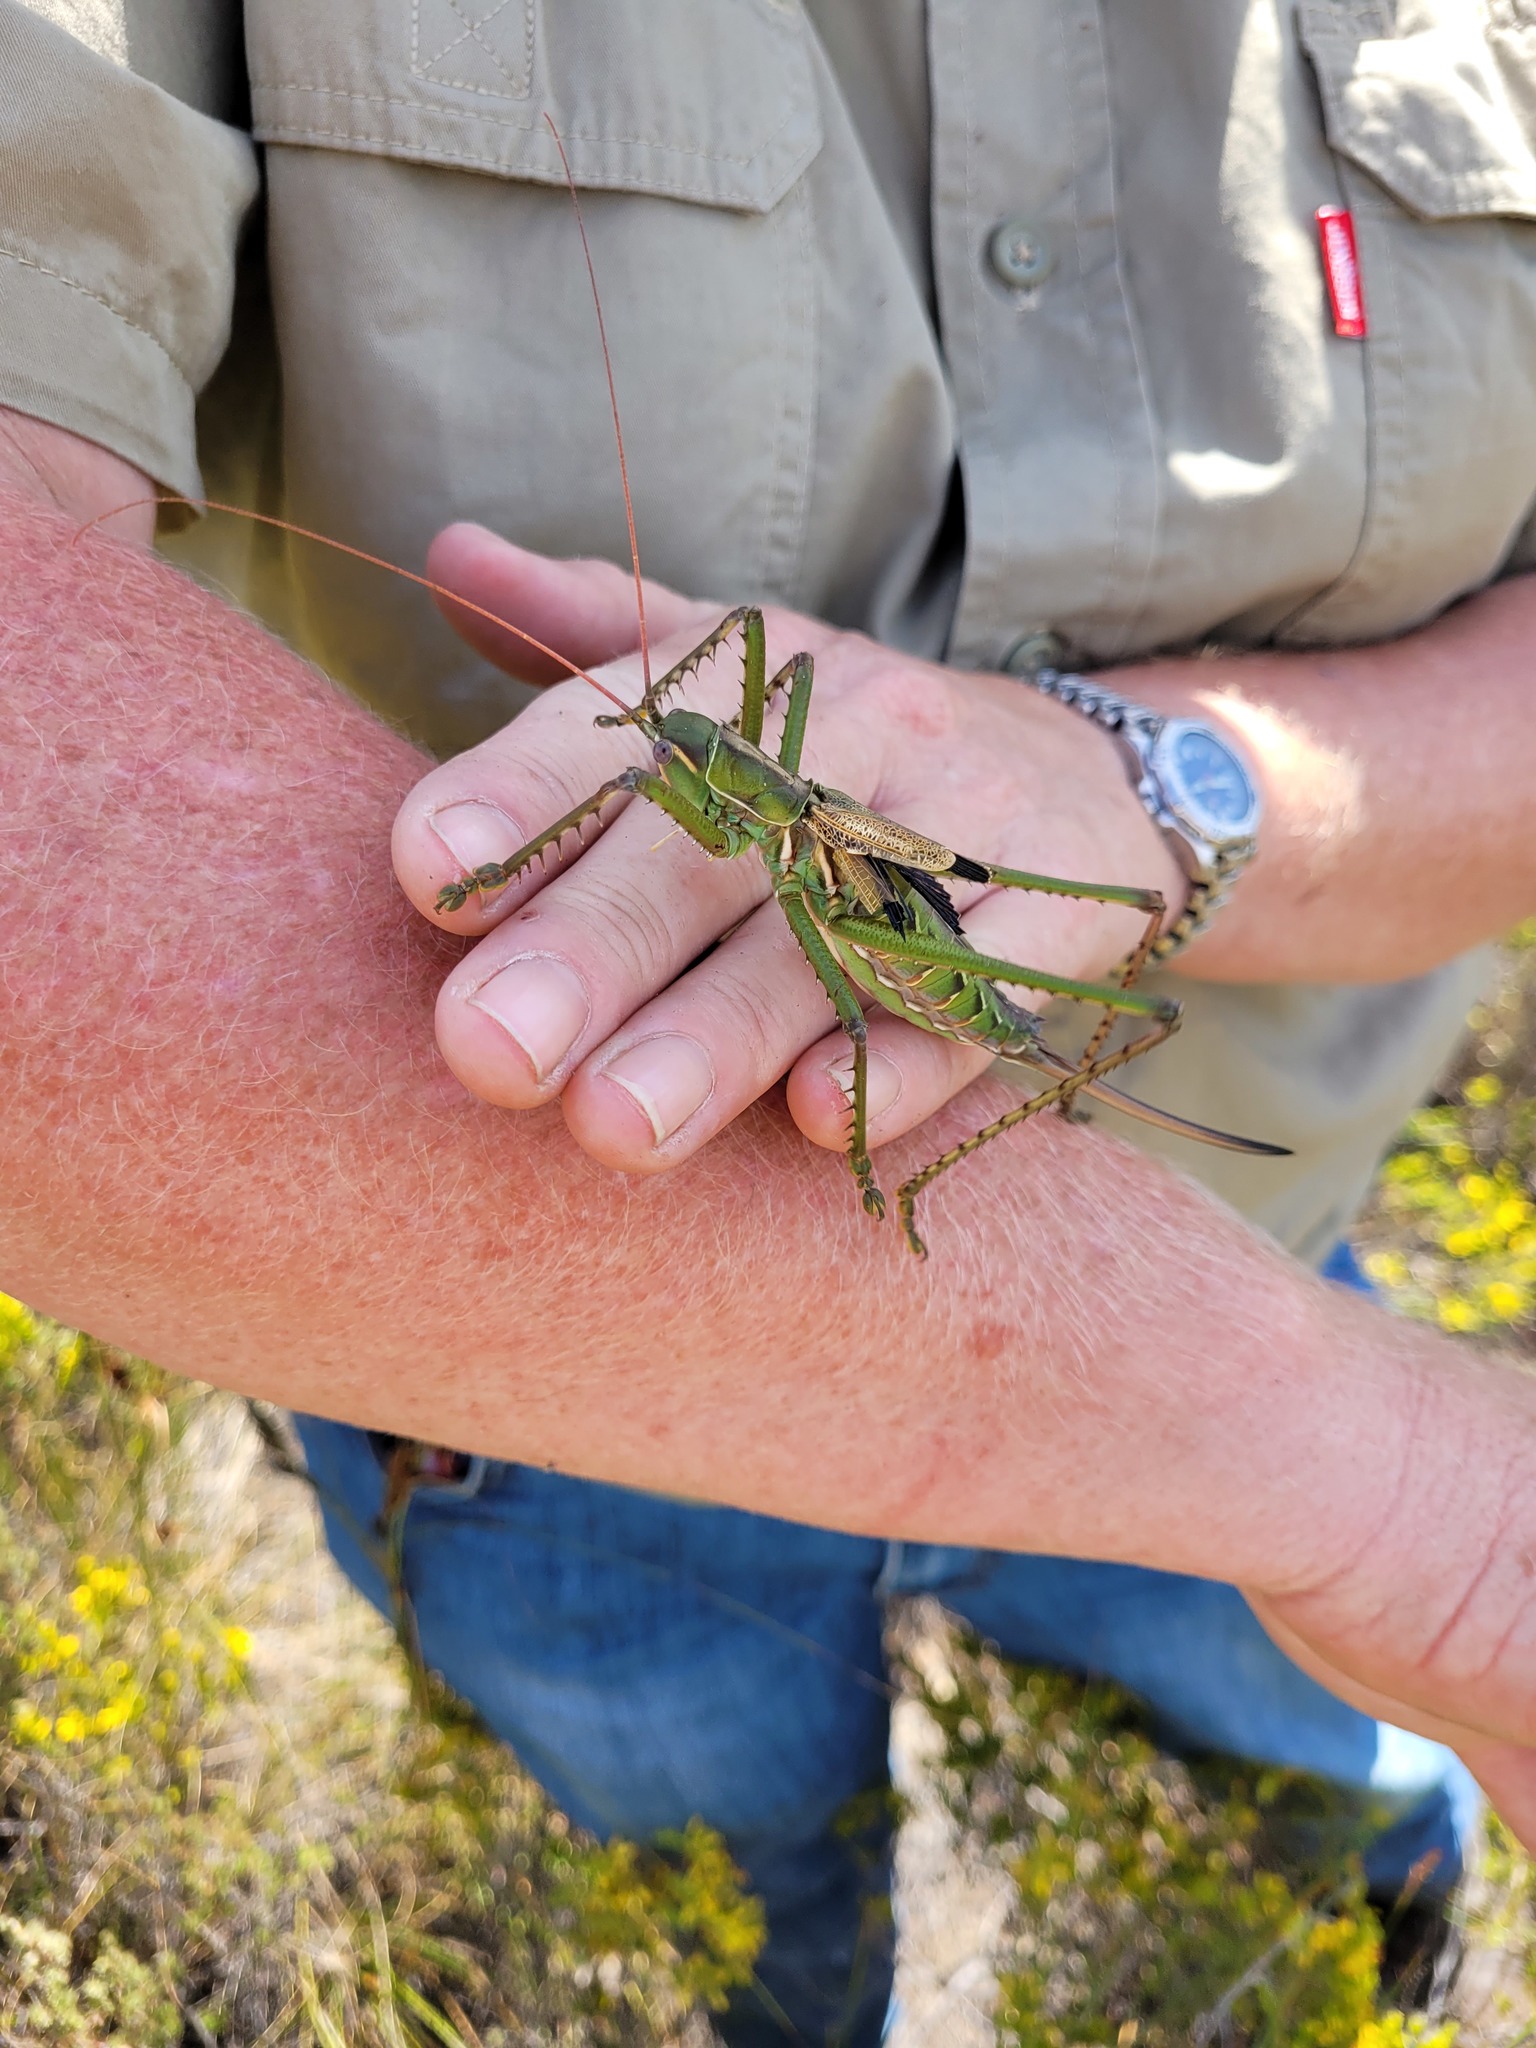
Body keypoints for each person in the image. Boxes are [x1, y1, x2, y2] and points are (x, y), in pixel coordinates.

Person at [5, 0, 1536, 2039]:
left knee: (1310, 1798)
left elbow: (815, 850)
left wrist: (1145, 781)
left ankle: (1390, 1945)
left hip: (1247, 1249)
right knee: (725, 1914)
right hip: (548, 1418)